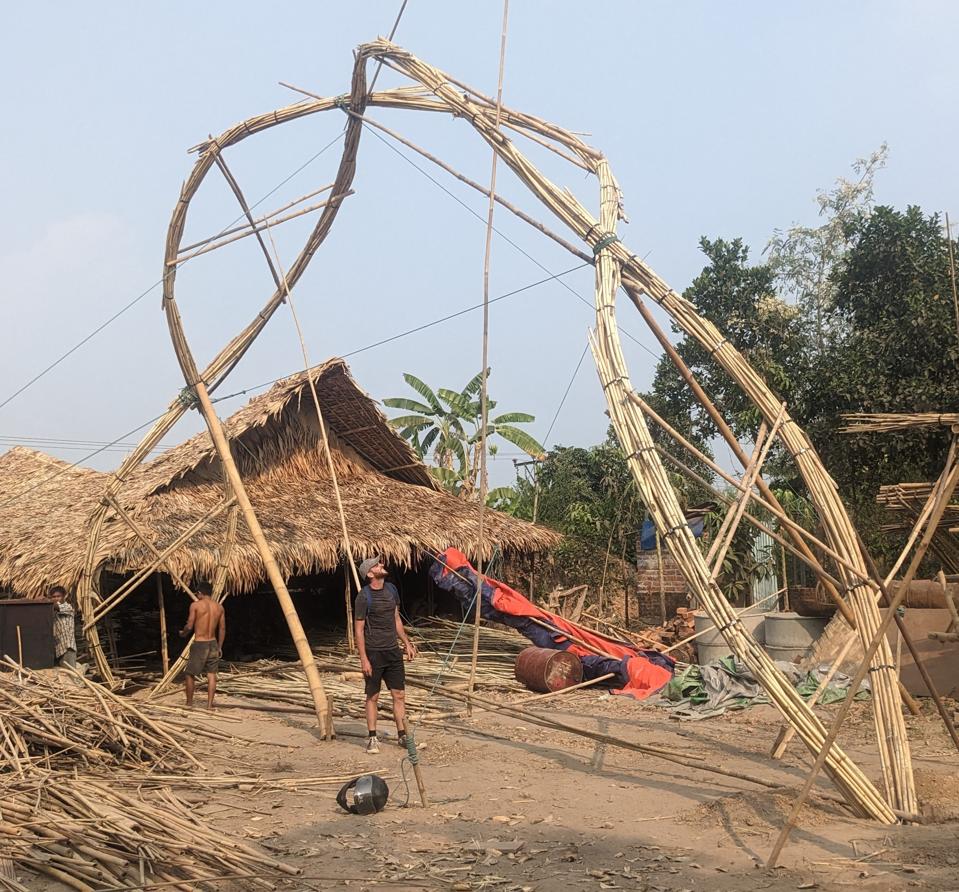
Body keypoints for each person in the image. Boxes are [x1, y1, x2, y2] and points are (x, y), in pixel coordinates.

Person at [354, 556, 417, 754]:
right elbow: (359, 630)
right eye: (377, 565)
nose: (381, 565)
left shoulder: (391, 590)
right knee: (373, 696)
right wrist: (364, 659)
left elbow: (396, 619)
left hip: (393, 651)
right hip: (374, 653)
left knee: (399, 694)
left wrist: (406, 643)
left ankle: (402, 735)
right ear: (370, 574)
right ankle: (372, 737)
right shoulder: (363, 597)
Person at [179, 582, 225, 709]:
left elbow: (189, 625)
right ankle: (209, 705)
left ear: (200, 593)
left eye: (197, 593)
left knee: (189, 674)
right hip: (213, 643)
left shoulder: (195, 605)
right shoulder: (219, 607)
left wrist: (183, 633)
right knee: (211, 675)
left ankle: (189, 703)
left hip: (200, 643)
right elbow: (222, 628)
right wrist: (220, 646)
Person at [49, 585, 77, 669]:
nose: (56, 599)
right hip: (58, 650)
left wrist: (45, 600)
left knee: (71, 673)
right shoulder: (53, 613)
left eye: (58, 596)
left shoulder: (68, 607)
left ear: (64, 597)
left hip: (68, 648)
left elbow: (56, 606)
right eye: (54, 597)